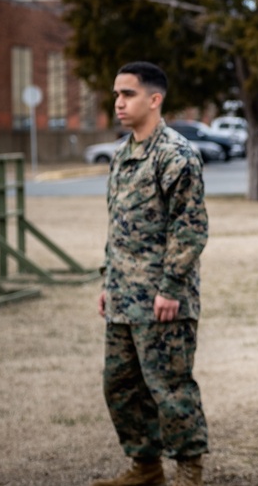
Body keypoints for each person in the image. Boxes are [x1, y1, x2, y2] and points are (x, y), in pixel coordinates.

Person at [93, 61, 209, 486]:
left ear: (154, 99)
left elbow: (190, 228)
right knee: (120, 386)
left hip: (163, 298)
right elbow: (117, 224)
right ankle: (146, 467)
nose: (119, 103)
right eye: (116, 95)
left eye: (128, 94)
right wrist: (109, 281)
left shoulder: (175, 154)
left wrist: (171, 287)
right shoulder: (123, 153)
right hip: (124, 296)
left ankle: (189, 471)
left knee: (170, 388)